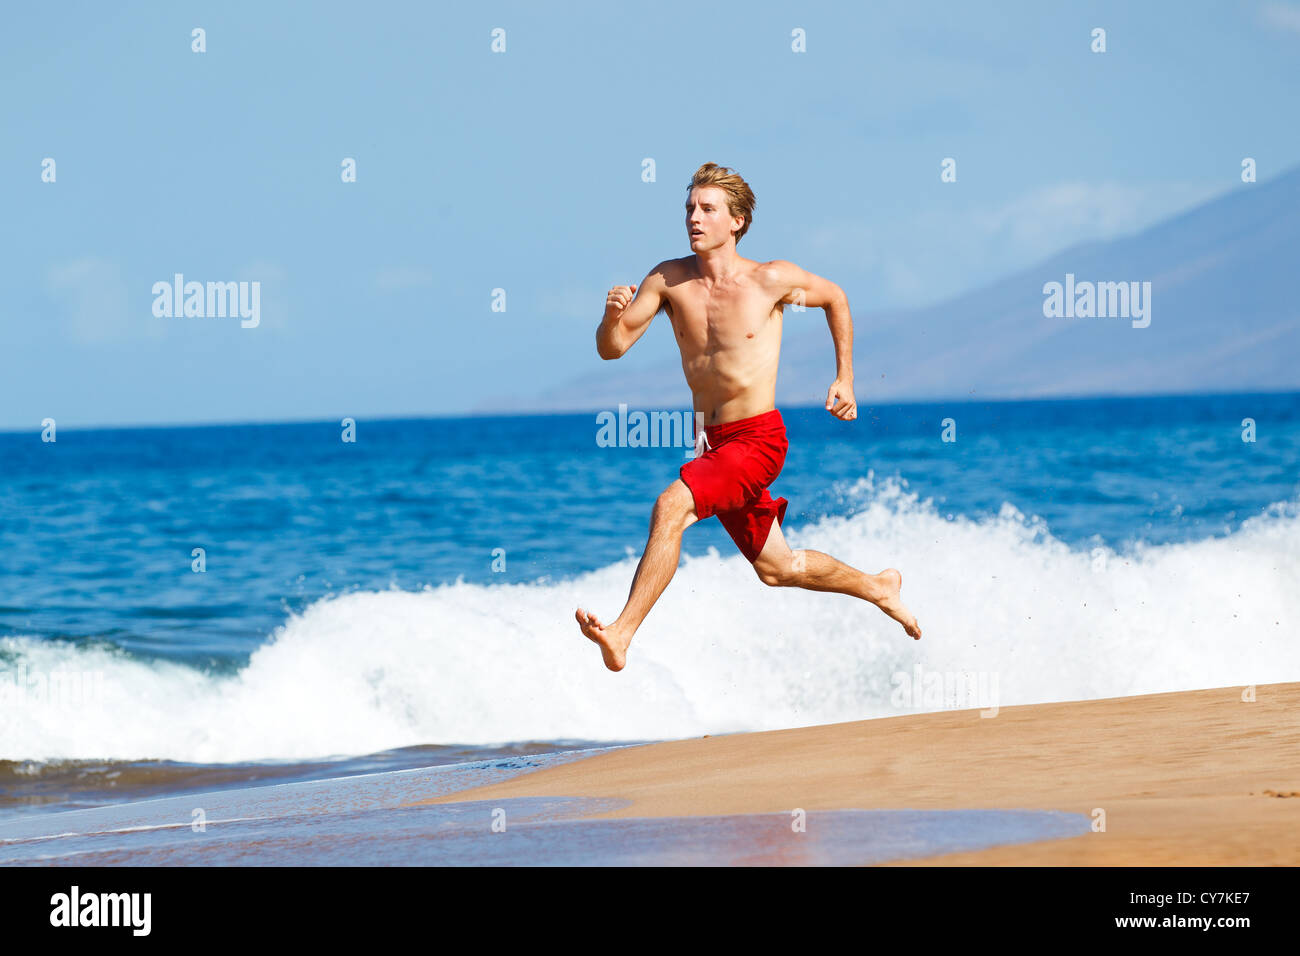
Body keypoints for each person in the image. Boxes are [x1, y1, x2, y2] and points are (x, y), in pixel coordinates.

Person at [576, 163, 921, 671]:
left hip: (757, 439)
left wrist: (845, 378)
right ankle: (878, 586)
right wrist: (609, 319)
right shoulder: (668, 280)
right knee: (778, 568)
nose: (694, 217)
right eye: (690, 208)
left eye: (707, 209)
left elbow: (835, 298)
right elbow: (614, 347)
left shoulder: (770, 280)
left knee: (672, 507)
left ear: (736, 221)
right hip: (712, 446)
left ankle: (623, 633)